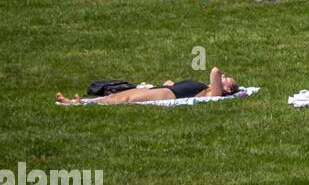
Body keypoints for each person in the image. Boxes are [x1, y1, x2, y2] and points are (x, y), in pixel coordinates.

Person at [56, 66, 241, 105]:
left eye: (228, 80)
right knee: (115, 96)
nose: (225, 77)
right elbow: (172, 83)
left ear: (225, 90)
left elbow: (215, 71)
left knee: (125, 99)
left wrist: (222, 79)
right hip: (162, 89)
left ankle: (78, 104)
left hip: (166, 96)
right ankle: (81, 101)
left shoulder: (213, 93)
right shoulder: (202, 85)